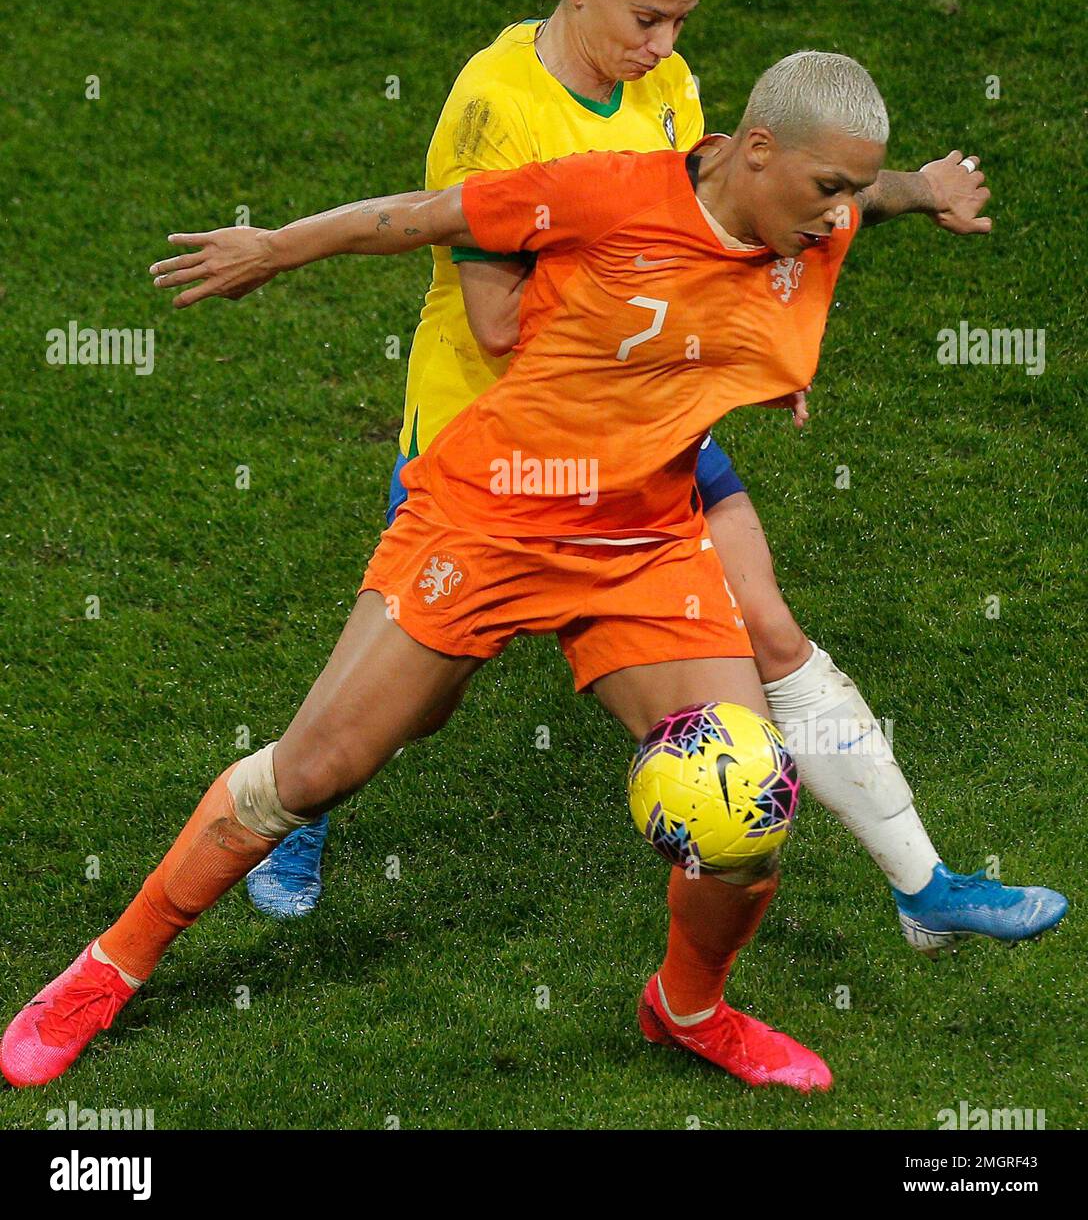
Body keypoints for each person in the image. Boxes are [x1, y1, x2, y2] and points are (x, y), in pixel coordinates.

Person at [3, 53, 1064, 1096]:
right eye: (826, 186)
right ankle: (107, 969)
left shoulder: (811, 209)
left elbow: (866, 193)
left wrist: (922, 190)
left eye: (850, 189)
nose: (840, 212)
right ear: (752, 151)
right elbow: (422, 215)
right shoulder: (607, 195)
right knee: (313, 771)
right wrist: (276, 246)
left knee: (747, 804)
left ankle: (687, 1008)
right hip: (491, 518)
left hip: (642, 539)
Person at [240, 0, 1060, 956]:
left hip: (649, 431)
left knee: (767, 629)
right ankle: (300, 806)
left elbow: (741, 214)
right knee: (416, 707)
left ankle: (922, 884)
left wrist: (910, 200)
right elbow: (494, 318)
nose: (664, 47)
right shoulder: (497, 105)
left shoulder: (663, 87)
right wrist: (699, 344)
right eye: (644, 20)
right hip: (500, 440)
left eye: (679, 23)